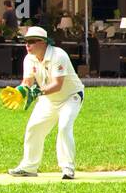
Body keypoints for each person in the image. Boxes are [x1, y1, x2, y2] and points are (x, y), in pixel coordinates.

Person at [9, 26, 85, 180]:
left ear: (43, 43)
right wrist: (20, 91)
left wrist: (37, 92)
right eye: (26, 41)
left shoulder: (58, 55)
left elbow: (58, 84)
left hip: (70, 97)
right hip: (49, 99)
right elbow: (27, 81)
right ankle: (29, 167)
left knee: (64, 127)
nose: (27, 45)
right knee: (34, 128)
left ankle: (67, 168)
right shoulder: (29, 58)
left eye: (31, 41)